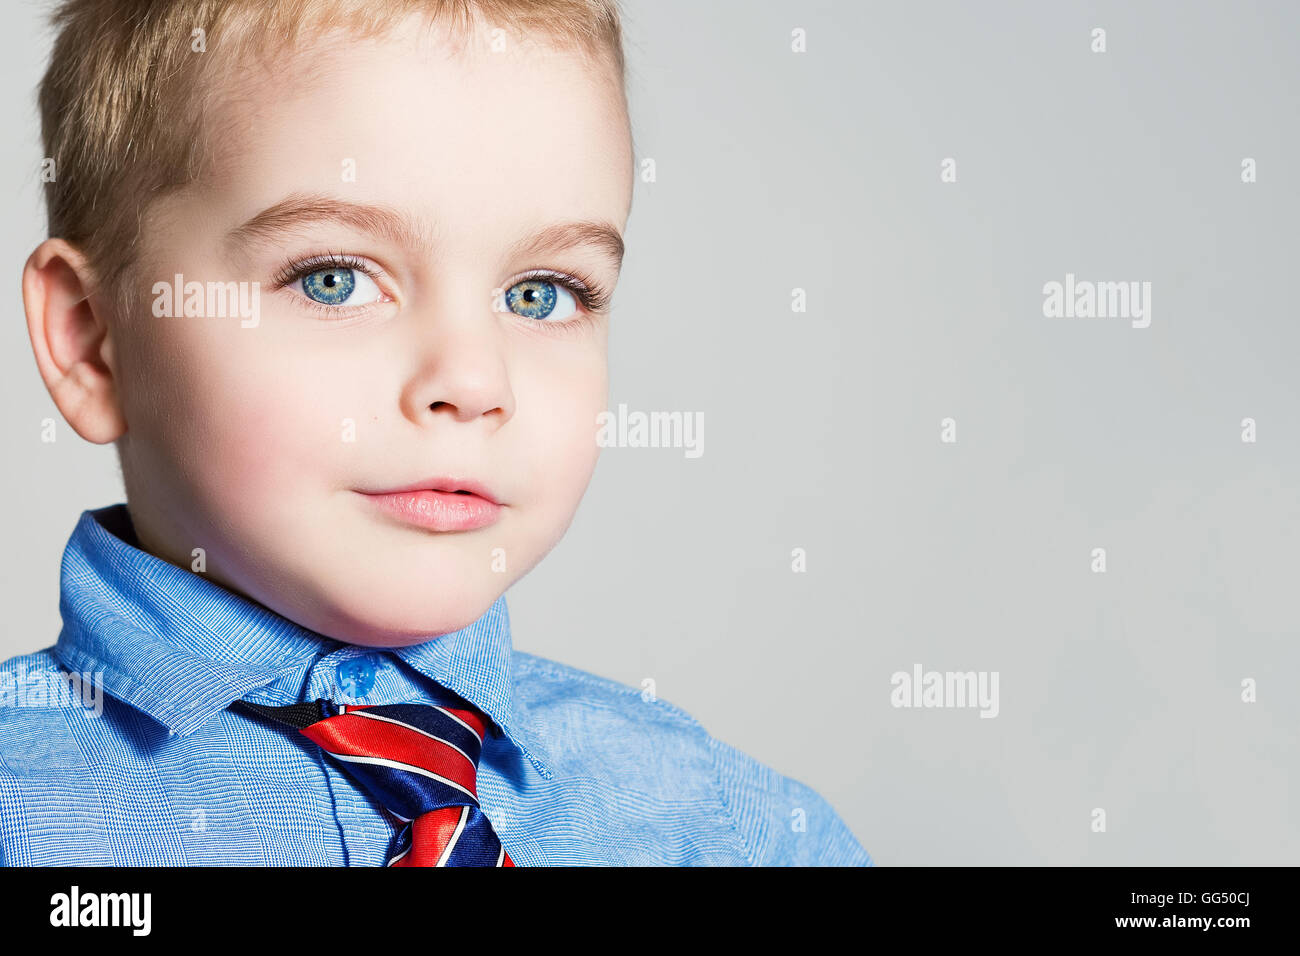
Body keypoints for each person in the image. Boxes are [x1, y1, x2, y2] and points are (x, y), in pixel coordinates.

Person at [1, 0, 872, 866]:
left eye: (542, 293)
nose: (473, 380)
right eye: (335, 279)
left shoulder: (730, 830)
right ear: (92, 340)